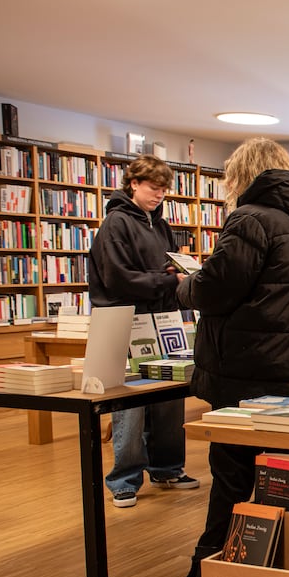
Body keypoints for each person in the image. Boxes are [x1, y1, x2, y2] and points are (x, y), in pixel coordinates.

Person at [154, 137, 289, 577]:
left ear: (245, 174)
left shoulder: (251, 218)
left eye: (230, 176)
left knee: (231, 477)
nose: (227, 186)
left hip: (249, 371)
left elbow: (216, 290)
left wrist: (184, 284)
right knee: (286, 477)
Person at [87, 154, 197, 508]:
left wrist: (177, 270)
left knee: (168, 393)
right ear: (133, 183)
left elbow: (165, 263)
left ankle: (167, 467)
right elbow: (118, 277)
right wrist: (166, 280)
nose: (159, 195)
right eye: (153, 188)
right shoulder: (115, 223)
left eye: (164, 190)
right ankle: (124, 478)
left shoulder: (160, 224)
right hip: (125, 320)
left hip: (162, 318)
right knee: (130, 403)